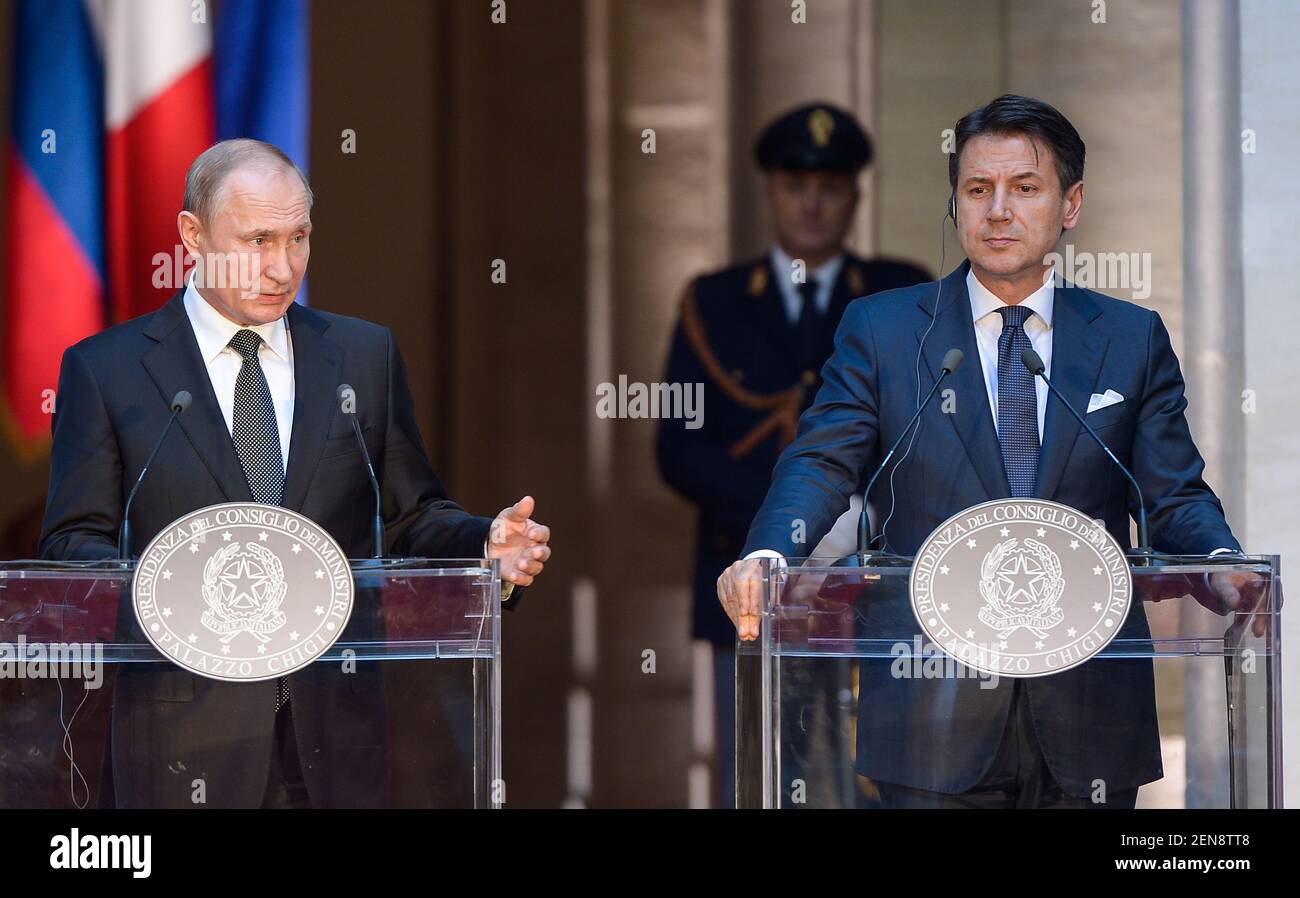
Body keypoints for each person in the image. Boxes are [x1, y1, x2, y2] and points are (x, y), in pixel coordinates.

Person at [717, 95, 1248, 808]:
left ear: (1071, 204)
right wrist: (769, 556)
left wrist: (1223, 566)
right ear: (957, 204)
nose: (998, 210)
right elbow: (822, 461)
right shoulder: (885, 331)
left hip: (1089, 708)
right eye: (977, 189)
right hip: (930, 708)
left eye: (1025, 188)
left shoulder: (1130, 339)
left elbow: (1173, 493)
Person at [39, 139, 552, 808]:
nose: (282, 267)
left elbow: (410, 514)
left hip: (334, 737)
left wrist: (486, 547)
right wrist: (179, 588)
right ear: (192, 235)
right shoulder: (106, 372)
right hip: (182, 740)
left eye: (300, 237)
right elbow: (72, 547)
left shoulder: (363, 357)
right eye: (257, 240)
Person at [658, 102, 929, 806]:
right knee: (757, 778)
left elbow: (926, 432)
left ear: (855, 196)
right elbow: (679, 448)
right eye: (796, 184)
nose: (813, 201)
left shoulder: (901, 291)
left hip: (874, 585)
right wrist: (789, 534)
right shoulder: (713, 302)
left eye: (831, 185)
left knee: (877, 779)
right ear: (771, 191)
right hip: (750, 582)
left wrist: (857, 523)